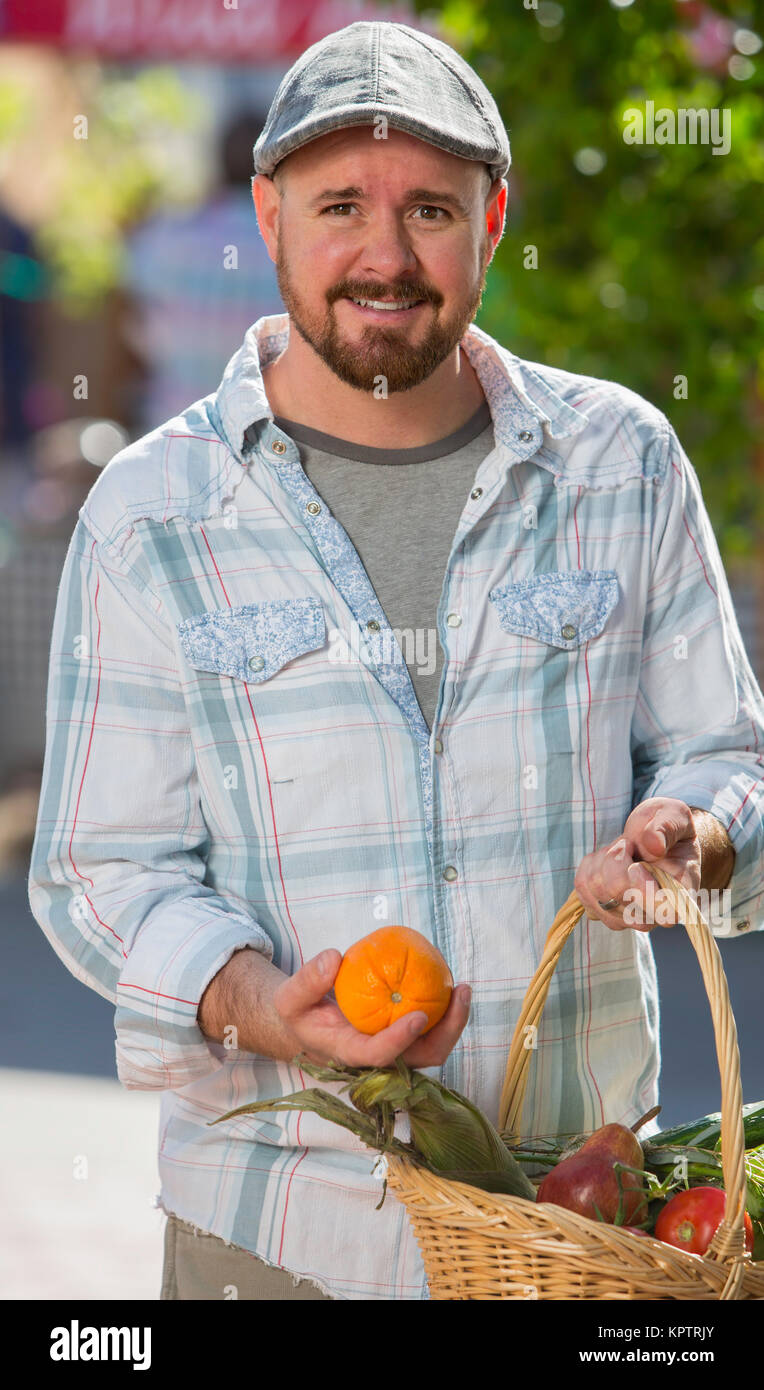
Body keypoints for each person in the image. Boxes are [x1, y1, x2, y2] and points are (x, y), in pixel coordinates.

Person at [27, 20, 764, 1302]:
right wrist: (253, 999)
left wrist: (692, 837)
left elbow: (731, 756)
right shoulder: (153, 511)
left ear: (491, 222)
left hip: (578, 1226)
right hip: (272, 1235)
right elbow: (98, 870)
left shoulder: (618, 462)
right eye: (338, 206)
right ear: (267, 217)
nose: (384, 253)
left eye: (429, 207)